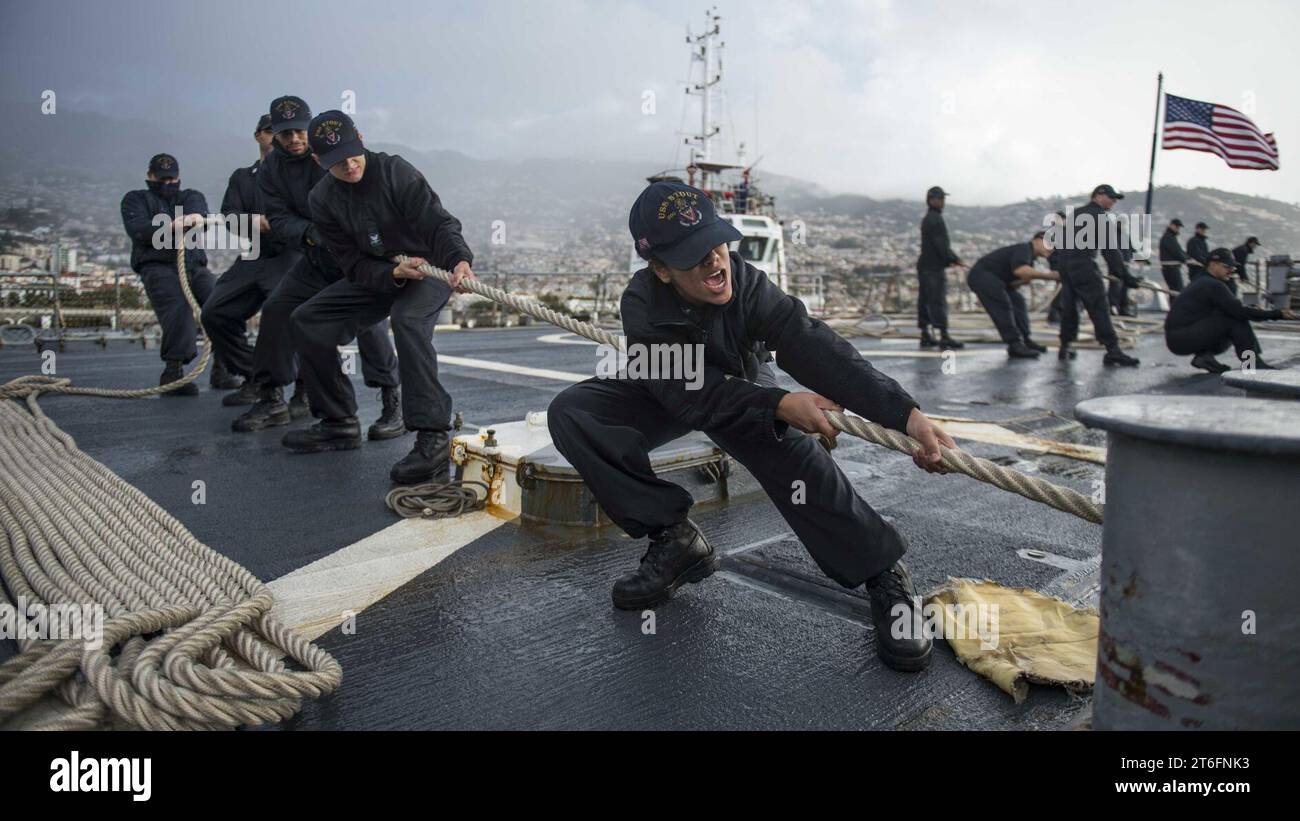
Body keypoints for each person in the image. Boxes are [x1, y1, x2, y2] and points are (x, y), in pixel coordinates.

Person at [548, 181, 959, 673]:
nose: (715, 262)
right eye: (693, 257)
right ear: (659, 270)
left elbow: (814, 347)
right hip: (673, 383)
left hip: (740, 377)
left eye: (716, 243)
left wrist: (904, 413)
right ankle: (674, 539)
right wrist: (780, 403)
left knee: (788, 453)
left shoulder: (748, 283)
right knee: (575, 413)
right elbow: (689, 393)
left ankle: (881, 571)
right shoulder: (641, 305)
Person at [291, 111, 473, 479]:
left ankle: (433, 436)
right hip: (379, 273)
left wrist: (459, 260)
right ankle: (338, 420)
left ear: (359, 137)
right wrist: (389, 272)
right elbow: (350, 262)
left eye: (352, 153)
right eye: (336, 163)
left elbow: (438, 222)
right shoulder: (322, 199)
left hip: (428, 268)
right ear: (317, 161)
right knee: (308, 321)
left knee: (407, 320)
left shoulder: (395, 171)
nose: (349, 164)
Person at [231, 96, 402, 441]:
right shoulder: (270, 171)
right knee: (278, 310)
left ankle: (392, 403)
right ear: (274, 135)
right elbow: (277, 218)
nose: (293, 138)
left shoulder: (334, 155)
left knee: (368, 325)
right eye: (284, 134)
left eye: (298, 131)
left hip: (355, 258)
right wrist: (311, 233)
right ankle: (275, 398)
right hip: (315, 256)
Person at [201, 114, 302, 405]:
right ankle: (258, 377)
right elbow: (230, 215)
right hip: (255, 253)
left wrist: (281, 223)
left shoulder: (298, 173)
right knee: (215, 312)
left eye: (285, 132)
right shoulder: (243, 177)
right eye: (273, 132)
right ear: (259, 135)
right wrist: (254, 222)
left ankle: (304, 389)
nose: (280, 137)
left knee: (288, 315)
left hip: (292, 254)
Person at [119, 153, 215, 395]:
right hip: (157, 266)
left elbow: (199, 215)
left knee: (220, 303)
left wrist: (191, 220)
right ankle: (173, 370)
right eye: (162, 178)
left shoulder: (191, 196)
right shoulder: (135, 200)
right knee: (177, 306)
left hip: (194, 265)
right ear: (150, 176)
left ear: (179, 177)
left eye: (172, 178)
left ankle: (225, 365)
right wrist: (173, 226)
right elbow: (139, 230)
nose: (168, 183)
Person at [1165, 247, 1295, 373]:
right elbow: (1239, 311)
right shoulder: (1212, 284)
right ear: (1212, 265)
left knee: (1227, 317)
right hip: (1181, 338)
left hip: (1178, 338)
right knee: (1234, 319)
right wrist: (1277, 313)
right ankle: (1252, 363)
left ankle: (1205, 357)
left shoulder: (1202, 279)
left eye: (1232, 267)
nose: (1231, 270)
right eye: (1227, 267)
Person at [1052, 184, 1141, 365]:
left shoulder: (1075, 214)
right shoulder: (1100, 217)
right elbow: (1110, 251)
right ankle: (1113, 350)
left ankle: (1065, 345)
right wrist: (1126, 276)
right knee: (1099, 307)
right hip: (1084, 265)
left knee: (1070, 308)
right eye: (1112, 198)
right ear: (1099, 195)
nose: (1114, 202)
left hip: (1066, 267)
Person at [967, 233, 1057, 358]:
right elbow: (1020, 270)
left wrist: (1025, 279)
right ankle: (1014, 344)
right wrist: (1050, 276)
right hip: (983, 276)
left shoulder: (1030, 258)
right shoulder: (1024, 249)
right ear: (1036, 240)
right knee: (1002, 305)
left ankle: (1025, 340)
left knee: (1018, 301)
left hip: (998, 280)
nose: (1051, 248)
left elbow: (1016, 281)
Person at [915, 185, 966, 350]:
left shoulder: (928, 218)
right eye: (941, 198)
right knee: (937, 301)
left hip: (925, 265)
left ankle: (925, 335)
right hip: (933, 267)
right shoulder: (935, 219)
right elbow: (941, 245)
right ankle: (944, 336)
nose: (943, 202)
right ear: (932, 200)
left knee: (925, 300)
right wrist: (954, 259)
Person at [1157, 218, 1188, 293]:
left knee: (1175, 291)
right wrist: (1187, 260)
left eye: (1178, 227)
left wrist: (1188, 257)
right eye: (1176, 227)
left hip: (1171, 268)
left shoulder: (1171, 237)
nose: (1178, 229)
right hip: (1171, 269)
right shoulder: (1168, 237)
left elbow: (1179, 251)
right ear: (1171, 225)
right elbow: (1177, 252)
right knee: (1177, 291)